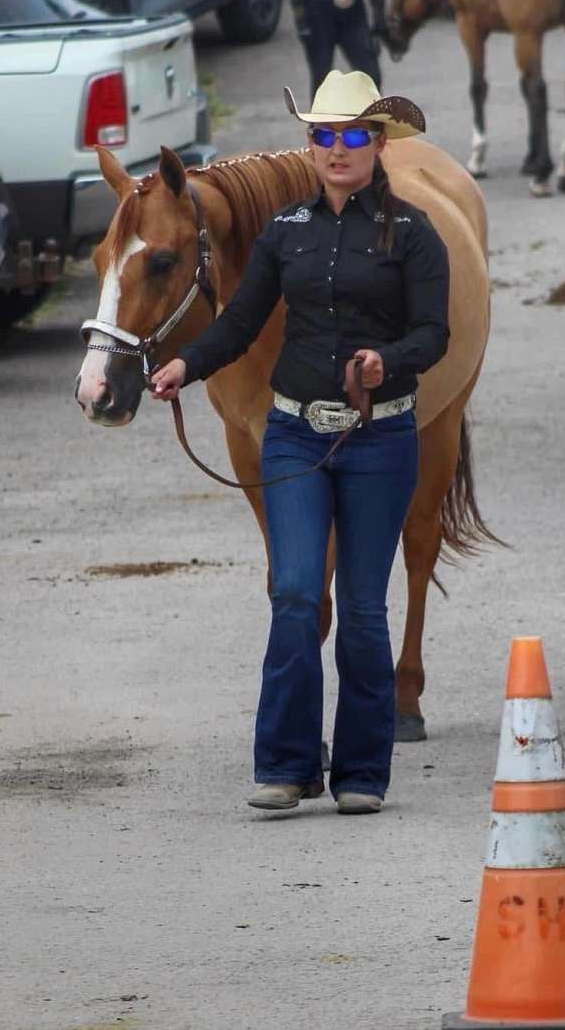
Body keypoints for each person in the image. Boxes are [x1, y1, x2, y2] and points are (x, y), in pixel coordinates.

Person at [152, 70, 450, 815]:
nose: (337, 149)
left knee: (360, 608)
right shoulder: (284, 233)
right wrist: (187, 364)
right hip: (292, 433)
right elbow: (241, 321)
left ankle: (359, 771)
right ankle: (286, 763)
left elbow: (433, 331)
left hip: (380, 440)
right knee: (292, 591)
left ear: (378, 145)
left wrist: (391, 361)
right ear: (309, 145)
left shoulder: (415, 235)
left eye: (352, 136)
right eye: (323, 135)